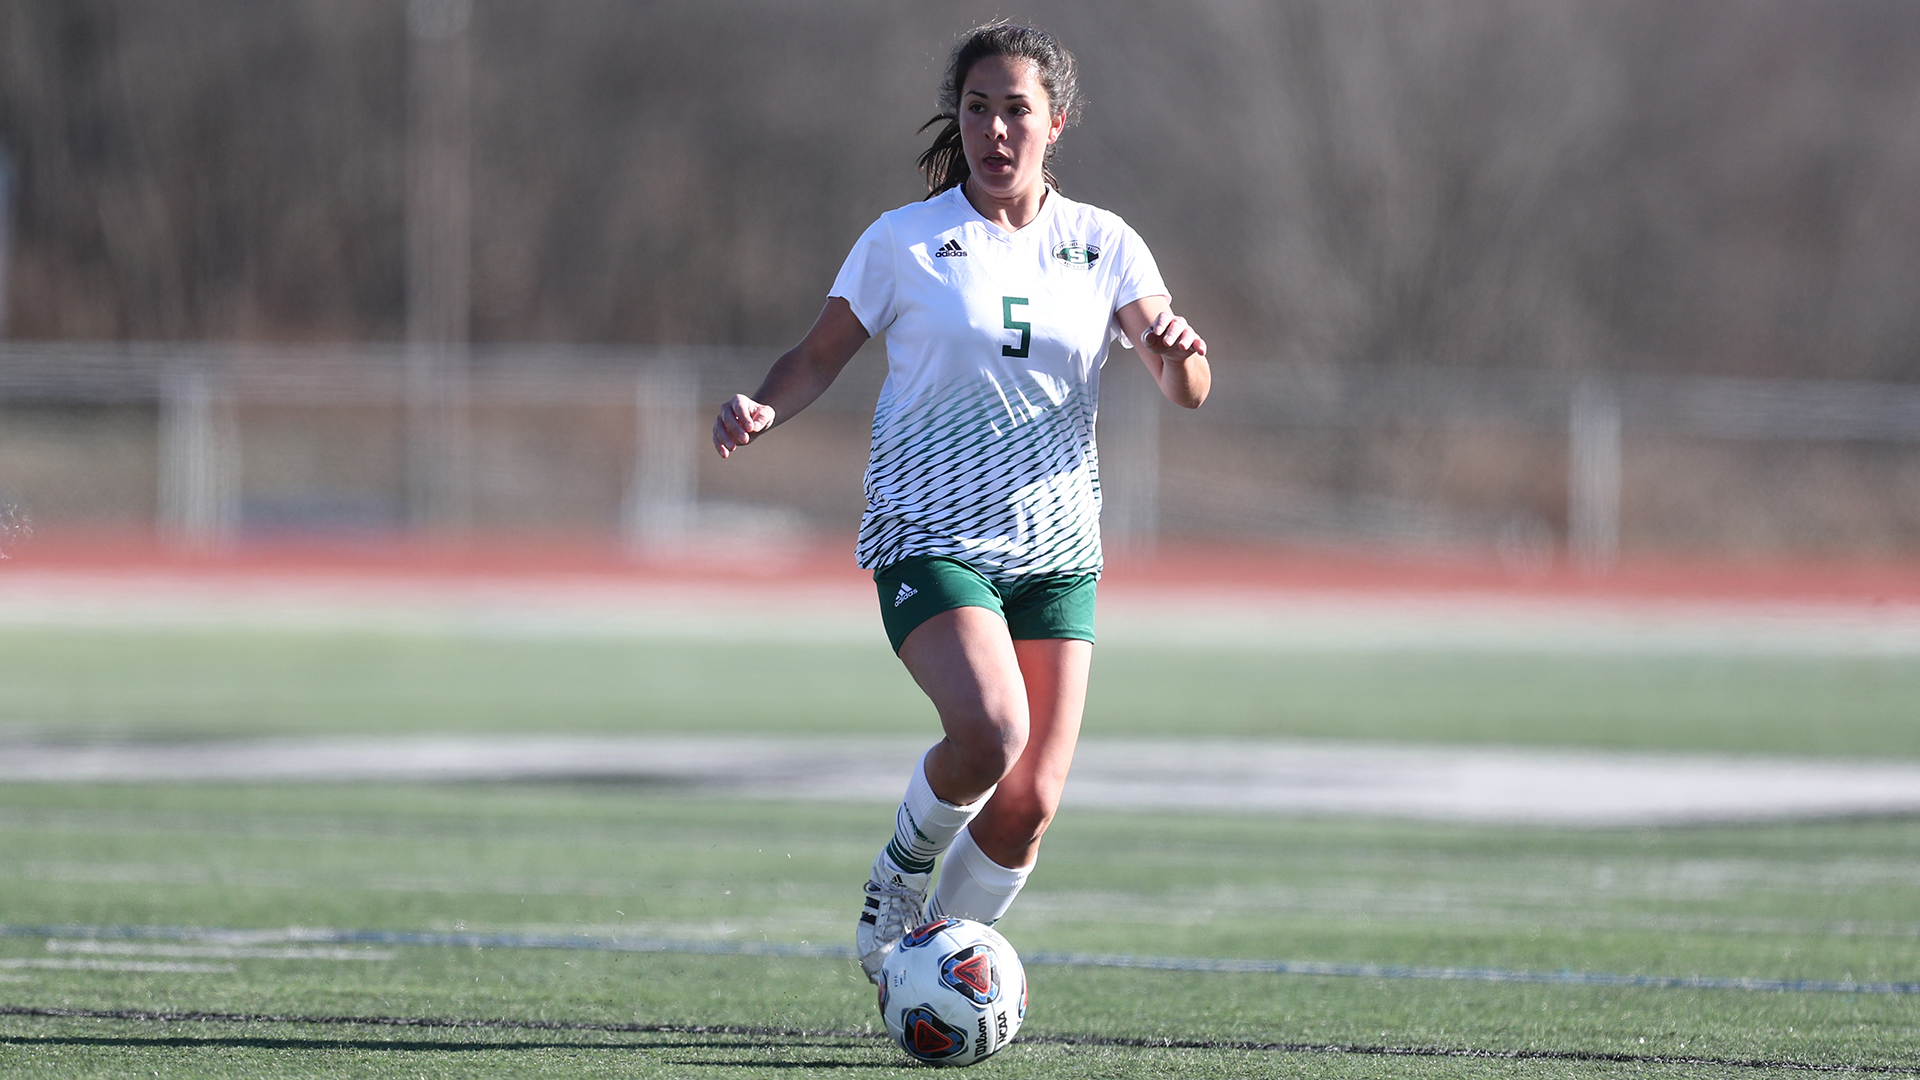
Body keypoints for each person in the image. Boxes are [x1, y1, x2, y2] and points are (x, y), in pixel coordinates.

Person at [712, 22, 1210, 986]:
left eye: (1016, 110)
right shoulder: (905, 241)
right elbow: (816, 357)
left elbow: (1183, 385)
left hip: (1058, 552)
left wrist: (1186, 354)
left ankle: (929, 967)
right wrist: (764, 403)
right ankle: (899, 876)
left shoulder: (1104, 244)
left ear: (1053, 123)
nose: (993, 130)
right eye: (976, 109)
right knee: (990, 729)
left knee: (1029, 800)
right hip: (930, 534)